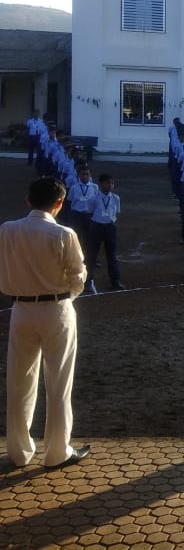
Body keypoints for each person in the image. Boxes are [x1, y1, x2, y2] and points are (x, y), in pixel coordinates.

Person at [0, 176, 91, 469]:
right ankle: (56, 451)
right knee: (59, 383)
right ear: (59, 203)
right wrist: (65, 297)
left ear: (28, 200)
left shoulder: (8, 230)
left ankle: (18, 451)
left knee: (19, 382)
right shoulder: (64, 234)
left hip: (21, 310)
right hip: (56, 309)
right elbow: (78, 276)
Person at [85, 173, 124, 292]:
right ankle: (87, 282)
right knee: (91, 256)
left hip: (110, 228)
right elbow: (90, 211)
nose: (110, 185)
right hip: (97, 227)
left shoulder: (116, 198)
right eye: (107, 183)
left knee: (112, 256)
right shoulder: (93, 199)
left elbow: (116, 212)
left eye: (112, 183)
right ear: (101, 184)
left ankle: (115, 281)